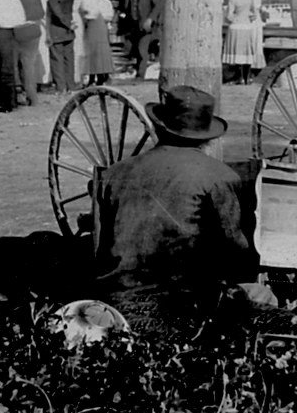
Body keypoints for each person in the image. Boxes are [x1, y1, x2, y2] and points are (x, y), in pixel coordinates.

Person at [95, 86, 257, 329]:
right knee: (265, 298)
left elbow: (99, 248)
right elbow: (237, 254)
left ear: (159, 126)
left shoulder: (113, 174)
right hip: (183, 307)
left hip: (114, 303)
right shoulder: (219, 176)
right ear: (207, 136)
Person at [8, 0, 46, 106]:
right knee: (29, 65)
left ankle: (17, 95)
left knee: (14, 64)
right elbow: (40, 14)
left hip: (16, 30)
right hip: (32, 30)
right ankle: (32, 96)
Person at [119, 0, 162, 80]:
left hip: (145, 25)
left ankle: (140, 74)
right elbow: (123, 5)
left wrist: (150, 19)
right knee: (135, 49)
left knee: (143, 49)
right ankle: (137, 69)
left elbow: (157, 5)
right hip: (132, 25)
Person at [75, 0, 116, 86]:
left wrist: (82, 12)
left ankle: (98, 75)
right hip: (96, 21)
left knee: (95, 49)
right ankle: (97, 75)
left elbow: (87, 7)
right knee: (96, 49)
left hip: (94, 21)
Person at [222, 0, 266, 84]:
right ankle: (246, 78)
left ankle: (239, 78)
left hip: (236, 28)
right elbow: (255, 14)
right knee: (247, 53)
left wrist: (236, 20)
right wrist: (247, 19)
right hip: (247, 28)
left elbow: (228, 16)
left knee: (237, 53)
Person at [46, 0, 76, 95]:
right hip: (69, 30)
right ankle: (71, 86)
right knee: (69, 58)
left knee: (57, 59)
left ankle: (60, 87)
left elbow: (56, 12)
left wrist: (66, 23)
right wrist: (70, 24)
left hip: (57, 28)